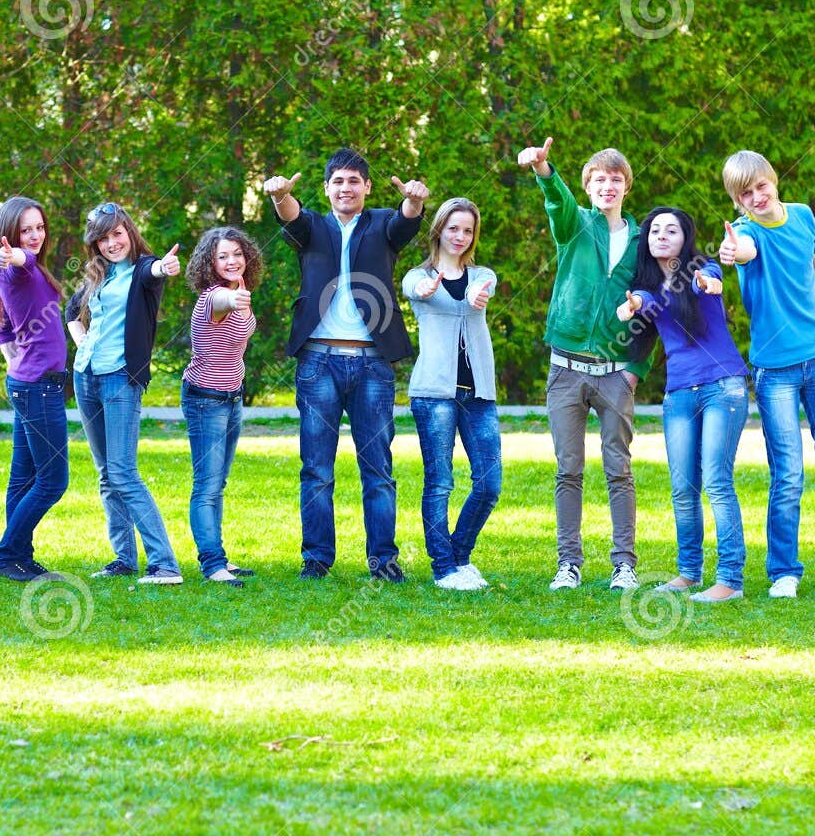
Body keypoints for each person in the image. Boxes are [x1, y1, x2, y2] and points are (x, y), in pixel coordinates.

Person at [262, 148, 427, 581]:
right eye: (338, 181)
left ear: (367, 187)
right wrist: (279, 195)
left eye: (354, 181)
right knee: (316, 467)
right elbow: (291, 216)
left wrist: (414, 200)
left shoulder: (381, 225)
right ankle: (316, 558)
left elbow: (406, 220)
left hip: (373, 364)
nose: (346, 188)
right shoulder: (314, 226)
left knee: (378, 468)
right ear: (327, 188)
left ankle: (383, 559)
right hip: (319, 362)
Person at [719, 150, 815, 598]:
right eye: (745, 194)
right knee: (787, 475)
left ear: (773, 181)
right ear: (737, 202)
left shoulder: (803, 218)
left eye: (761, 186)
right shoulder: (745, 233)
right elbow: (743, 251)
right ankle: (784, 570)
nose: (756, 197)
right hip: (774, 371)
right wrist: (732, 251)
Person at [516, 135, 643, 592]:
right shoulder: (576, 227)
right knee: (568, 468)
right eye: (599, 180)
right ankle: (568, 563)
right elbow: (557, 201)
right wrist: (544, 171)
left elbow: (654, 308)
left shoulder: (641, 242)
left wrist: (634, 370)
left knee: (618, 469)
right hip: (566, 369)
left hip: (614, 374)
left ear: (626, 187)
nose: (607, 187)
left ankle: (623, 565)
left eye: (616, 180)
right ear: (589, 187)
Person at [616, 207, 746, 603]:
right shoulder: (649, 289)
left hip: (723, 386)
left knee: (716, 481)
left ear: (684, 237)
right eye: (655, 230)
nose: (661, 235)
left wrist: (708, 283)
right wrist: (631, 308)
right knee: (682, 487)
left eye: (671, 230)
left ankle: (729, 580)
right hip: (679, 394)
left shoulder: (701, 268)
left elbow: (712, 283)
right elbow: (639, 299)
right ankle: (689, 572)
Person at [65, 202, 183, 585]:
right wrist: (82, 344)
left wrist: (164, 267)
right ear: (95, 244)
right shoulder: (98, 275)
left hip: (120, 379)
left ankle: (165, 564)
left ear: (129, 233)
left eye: (117, 233)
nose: (112, 242)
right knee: (105, 474)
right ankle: (124, 558)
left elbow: (155, 271)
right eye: (103, 237)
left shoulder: (144, 270)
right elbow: (70, 311)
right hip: (86, 377)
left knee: (123, 472)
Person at [401, 197, 502, 591]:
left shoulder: (482, 275)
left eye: (468, 230)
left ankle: (460, 557)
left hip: (478, 394)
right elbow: (416, 289)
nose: (460, 236)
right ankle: (443, 568)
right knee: (440, 482)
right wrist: (427, 288)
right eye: (453, 228)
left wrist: (477, 296)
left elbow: (481, 289)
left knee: (489, 484)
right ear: (439, 230)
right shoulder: (417, 276)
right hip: (433, 394)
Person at [0, 196, 71, 581]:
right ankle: (7, 556)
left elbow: (1, 326)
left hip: (29, 382)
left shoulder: (14, 270)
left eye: (39, 227)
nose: (35, 236)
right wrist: (18, 256)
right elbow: (24, 262)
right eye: (26, 230)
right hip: (38, 388)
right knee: (54, 480)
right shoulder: (15, 267)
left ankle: (19, 558)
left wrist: (15, 359)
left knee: (22, 478)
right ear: (10, 235)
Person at [181, 227, 261, 586]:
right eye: (223, 256)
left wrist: (239, 298)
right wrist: (234, 300)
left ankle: (220, 559)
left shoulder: (240, 291)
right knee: (207, 485)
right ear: (209, 264)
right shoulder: (214, 297)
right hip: (205, 401)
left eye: (237, 254)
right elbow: (223, 306)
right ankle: (212, 563)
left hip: (231, 399)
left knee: (219, 483)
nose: (232, 261)